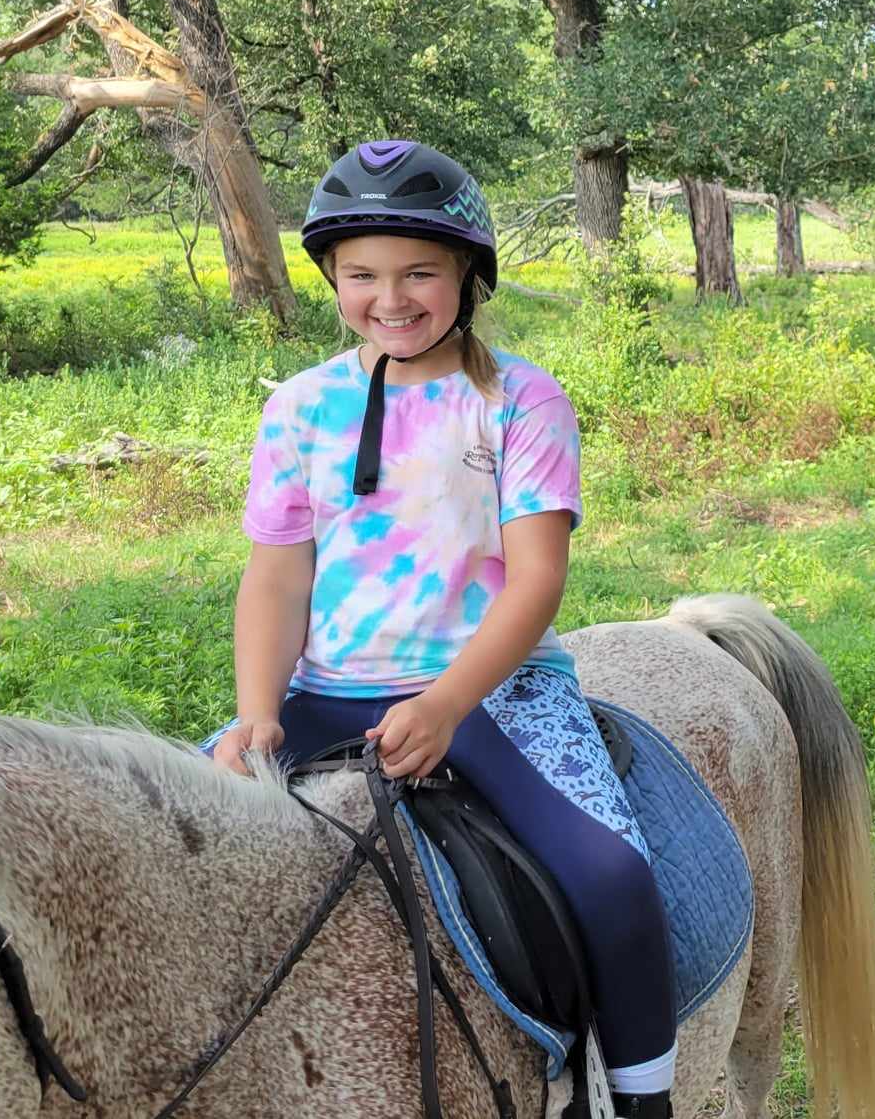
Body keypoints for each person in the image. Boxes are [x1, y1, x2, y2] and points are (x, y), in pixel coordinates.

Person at [208, 140, 677, 1118]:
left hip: (491, 689)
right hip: (329, 690)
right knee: (181, 848)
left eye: (419, 271)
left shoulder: (520, 402)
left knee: (612, 874)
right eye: (363, 275)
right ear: (333, 278)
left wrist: (447, 700)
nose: (392, 296)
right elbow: (277, 576)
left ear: (468, 274)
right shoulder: (301, 408)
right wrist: (257, 713)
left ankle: (641, 1096)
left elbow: (536, 579)